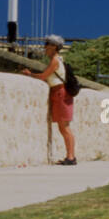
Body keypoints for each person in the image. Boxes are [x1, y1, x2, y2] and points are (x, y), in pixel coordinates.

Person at [22, 34, 76, 165]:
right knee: (64, 127)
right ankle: (71, 156)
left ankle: (71, 157)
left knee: (64, 127)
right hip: (60, 93)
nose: (45, 47)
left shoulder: (55, 61)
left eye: (47, 45)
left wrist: (30, 74)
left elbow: (43, 76)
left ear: (53, 47)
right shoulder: (59, 60)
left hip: (60, 93)